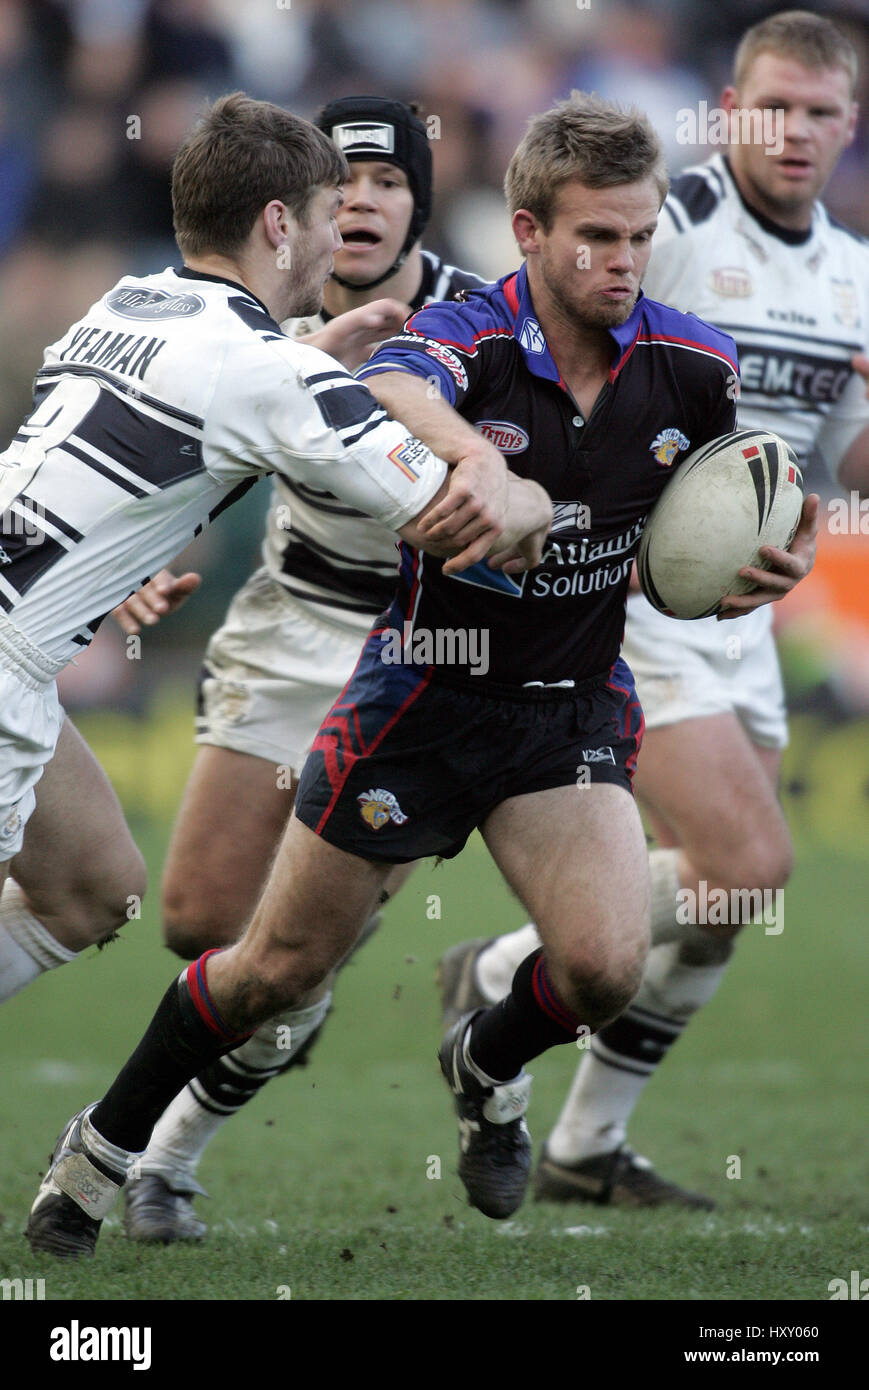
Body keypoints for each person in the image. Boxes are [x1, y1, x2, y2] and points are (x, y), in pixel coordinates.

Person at [26, 90, 815, 1258]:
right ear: (528, 230)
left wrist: (761, 557)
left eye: (640, 234)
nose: (622, 259)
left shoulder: (693, 365)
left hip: (566, 709)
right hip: (416, 698)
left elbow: (702, 522)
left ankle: (483, 1060)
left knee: (601, 969)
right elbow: (387, 392)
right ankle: (106, 1148)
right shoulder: (462, 336)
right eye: (595, 235)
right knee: (264, 965)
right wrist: (488, 478)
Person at [438, 9, 869, 1211]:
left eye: (820, 109)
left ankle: (584, 1142)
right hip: (633, 593)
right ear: (728, 107)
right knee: (745, 863)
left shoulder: (851, 272)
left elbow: (835, 457)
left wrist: (805, 519)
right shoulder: (659, 223)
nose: (794, 130)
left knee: (723, 907)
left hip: (744, 604)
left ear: (848, 122)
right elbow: (538, 335)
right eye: (770, 104)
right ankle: (509, 966)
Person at [113, 97, 486, 1244]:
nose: (364, 200)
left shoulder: (482, 318)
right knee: (199, 922)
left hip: (424, 651)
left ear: (420, 196)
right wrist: (138, 557)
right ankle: (296, 988)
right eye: (345, 182)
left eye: (387, 180)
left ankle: (164, 1160)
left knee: (290, 955)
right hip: (290, 623)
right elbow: (185, 439)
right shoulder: (257, 312)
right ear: (306, 208)